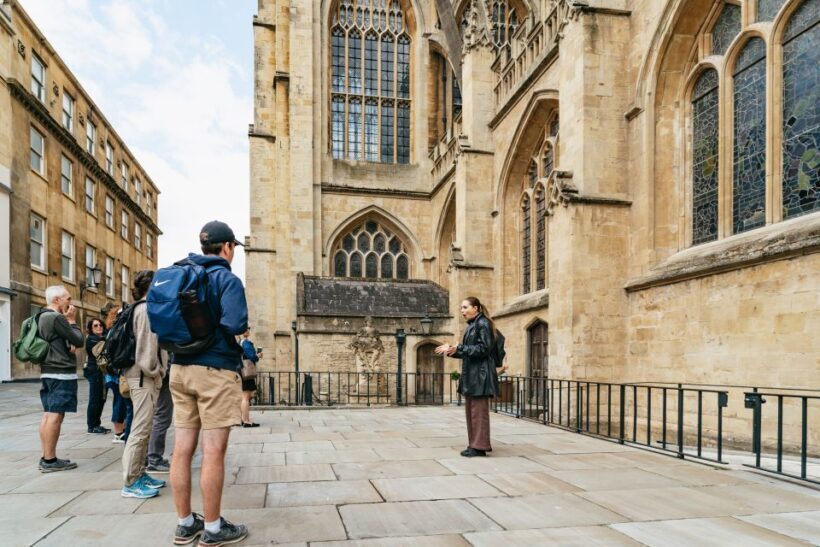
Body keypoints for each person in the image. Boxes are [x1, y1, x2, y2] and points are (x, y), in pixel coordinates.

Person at [169, 221, 249, 546]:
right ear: (227, 247)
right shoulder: (227, 279)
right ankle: (214, 529)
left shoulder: (180, 274)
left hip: (179, 369)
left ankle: (185, 524)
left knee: (181, 449)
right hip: (214, 370)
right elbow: (235, 324)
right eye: (233, 248)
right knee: (213, 451)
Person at [121, 271, 168, 499]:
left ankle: (140, 474)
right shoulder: (146, 310)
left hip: (141, 376)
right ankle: (130, 482)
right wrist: (157, 372)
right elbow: (146, 350)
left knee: (145, 428)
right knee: (139, 431)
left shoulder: (140, 308)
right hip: (142, 377)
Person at [435, 296, 499, 457]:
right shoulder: (473, 325)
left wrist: (460, 348)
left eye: (465, 307)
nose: (462, 311)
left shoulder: (483, 323)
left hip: (480, 375)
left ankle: (480, 446)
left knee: (478, 413)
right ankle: (474, 445)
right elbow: (469, 351)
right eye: (461, 308)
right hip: (472, 374)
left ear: (475, 308)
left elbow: (484, 349)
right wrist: (452, 350)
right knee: (472, 412)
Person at [37, 285, 84, 472]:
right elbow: (79, 340)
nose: (71, 302)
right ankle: (50, 460)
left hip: (48, 370)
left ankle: (46, 457)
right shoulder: (56, 317)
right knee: (56, 414)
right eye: (68, 298)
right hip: (60, 371)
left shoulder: (41, 315)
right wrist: (72, 321)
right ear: (57, 300)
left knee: (49, 413)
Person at [102, 305, 131, 444]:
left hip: (112, 373)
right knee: (119, 402)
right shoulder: (116, 331)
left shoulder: (111, 331)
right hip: (115, 374)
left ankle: (121, 429)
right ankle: (118, 432)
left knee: (120, 402)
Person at [146, 357, 174, 473]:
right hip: (163, 374)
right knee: (162, 417)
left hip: (157, 373)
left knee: (158, 416)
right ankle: (154, 459)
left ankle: (150, 457)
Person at [83, 318, 110, 434]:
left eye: (100, 325)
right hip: (94, 371)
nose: (99, 327)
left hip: (102, 372)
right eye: (95, 325)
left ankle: (97, 424)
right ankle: (92, 426)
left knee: (101, 399)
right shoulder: (91, 339)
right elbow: (102, 349)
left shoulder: (103, 338)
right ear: (91, 328)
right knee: (95, 398)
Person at [239, 329, 261, 428]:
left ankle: (243, 419)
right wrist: (258, 356)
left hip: (241, 371)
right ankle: (246, 421)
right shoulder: (246, 343)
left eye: (248, 328)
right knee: (246, 397)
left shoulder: (240, 342)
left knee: (248, 395)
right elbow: (251, 356)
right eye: (246, 328)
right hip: (246, 372)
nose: (248, 330)